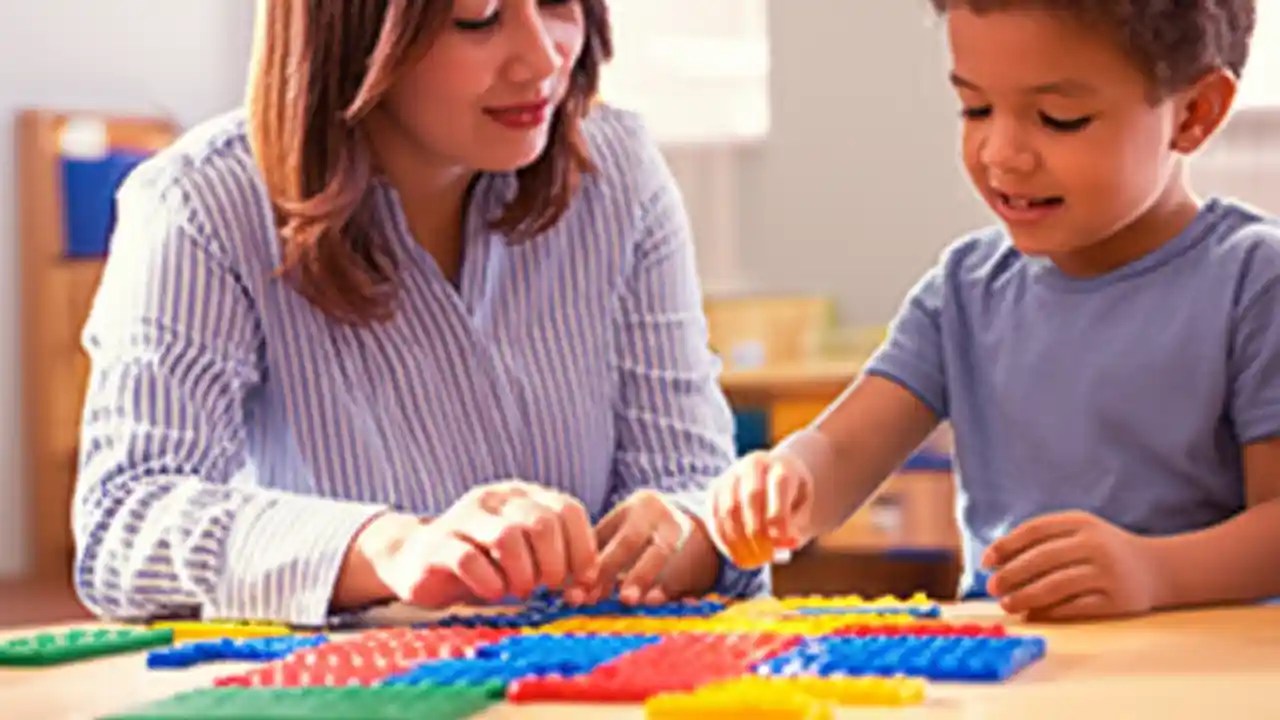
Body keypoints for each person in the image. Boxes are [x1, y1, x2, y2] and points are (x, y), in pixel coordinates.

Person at [72, 0, 761, 626]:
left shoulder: (619, 171)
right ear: (352, 30)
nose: (544, 57)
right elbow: (126, 523)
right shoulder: (201, 206)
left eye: (558, 3)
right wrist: (392, 546)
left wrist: (683, 527)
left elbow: (694, 486)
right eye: (478, 17)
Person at [710, 0, 1280, 621]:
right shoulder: (963, 290)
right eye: (976, 108)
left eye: (1059, 119)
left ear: (1194, 113)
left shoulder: (1252, 281)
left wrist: (1155, 573)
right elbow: (842, 453)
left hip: (1201, 676)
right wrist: (785, 478)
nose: (1001, 153)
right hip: (1016, 668)